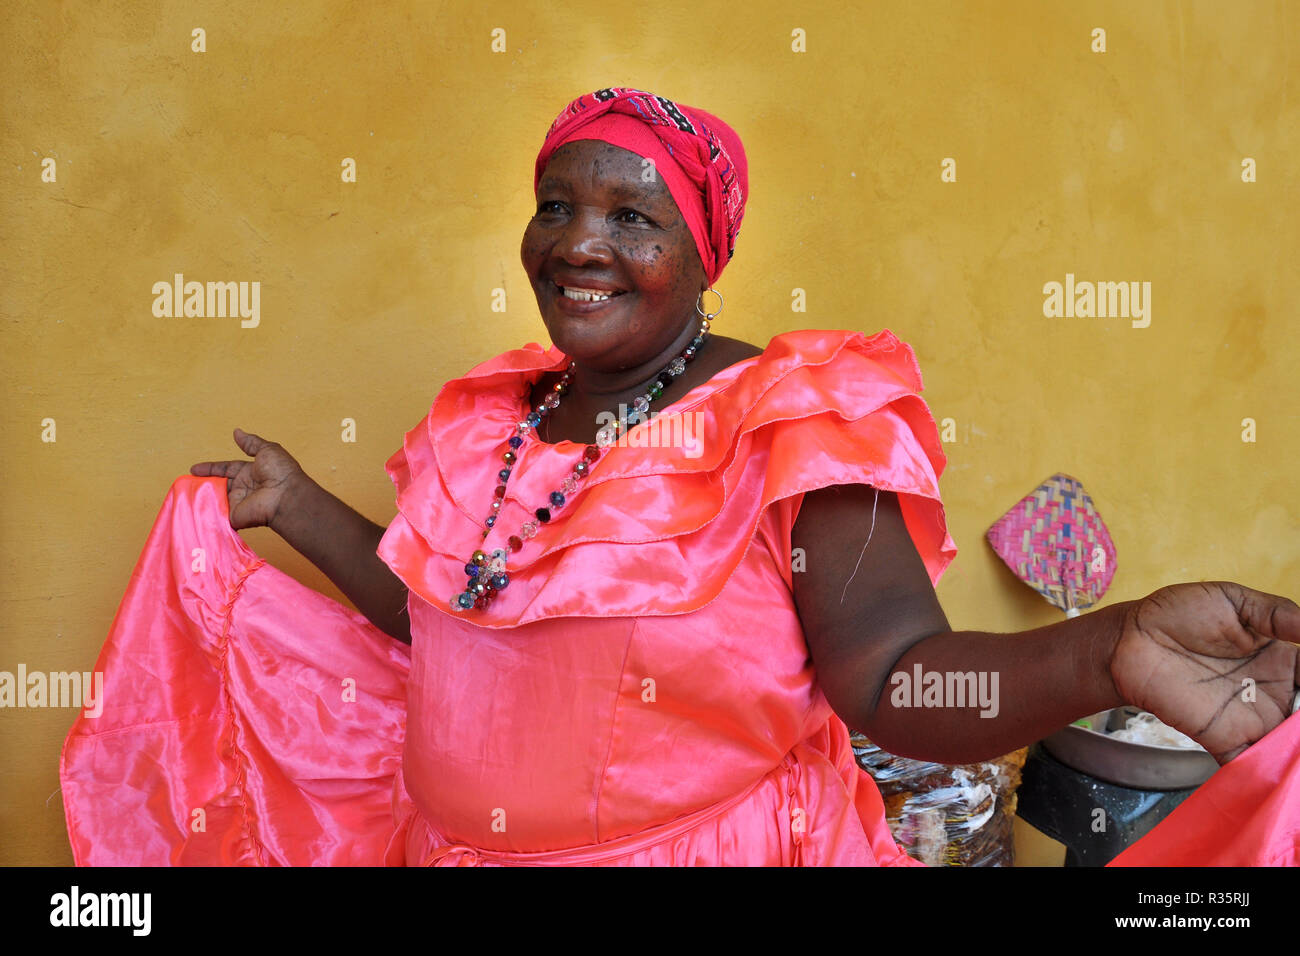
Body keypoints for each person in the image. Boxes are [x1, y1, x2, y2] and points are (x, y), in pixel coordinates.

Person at [62, 87, 1300, 866]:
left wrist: (1111, 647)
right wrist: (302, 509)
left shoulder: (791, 423)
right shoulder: (495, 417)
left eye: (632, 218)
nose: (578, 244)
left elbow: (894, 679)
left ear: (702, 248)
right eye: (556, 206)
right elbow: (456, 627)